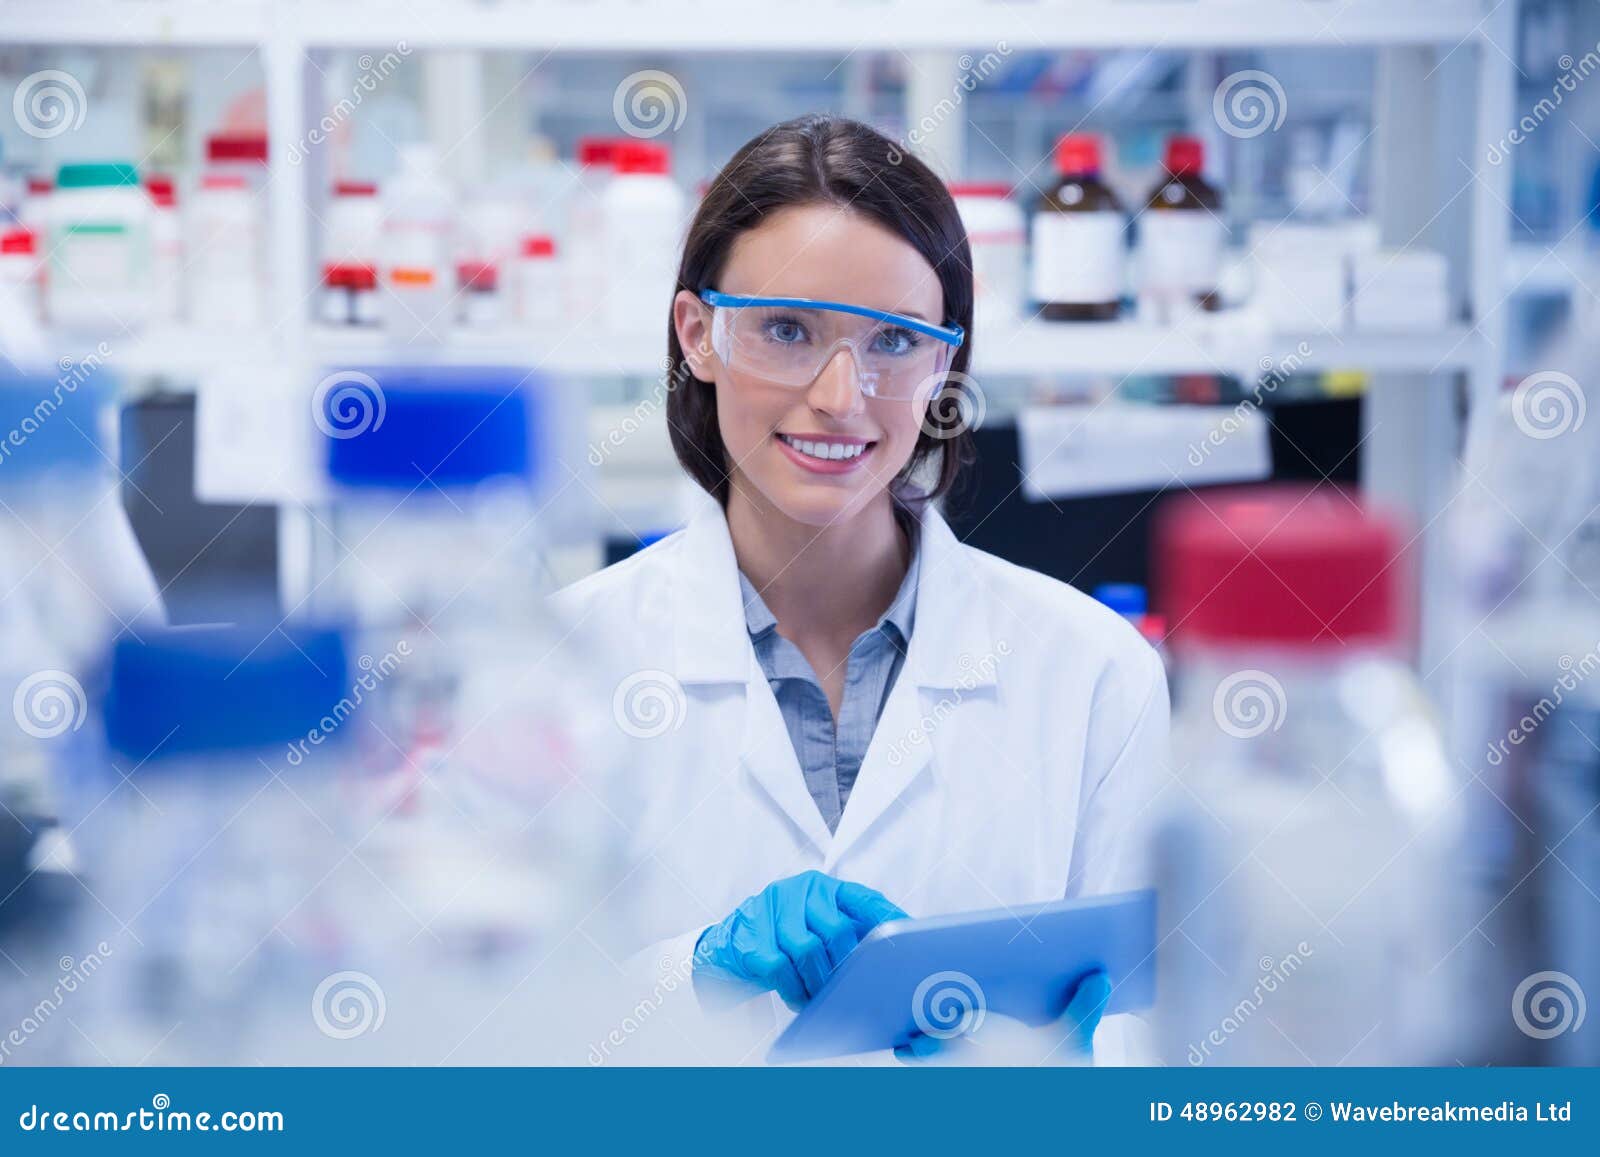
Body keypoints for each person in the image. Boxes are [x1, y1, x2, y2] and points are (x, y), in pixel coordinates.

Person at [553, 115, 1168, 1063]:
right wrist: (696, 975)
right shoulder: (566, 665)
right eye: (787, 330)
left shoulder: (1094, 673)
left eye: (892, 340)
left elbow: (1159, 1033)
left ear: (945, 365)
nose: (841, 396)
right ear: (698, 334)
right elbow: (489, 1043)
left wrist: (1066, 1077)